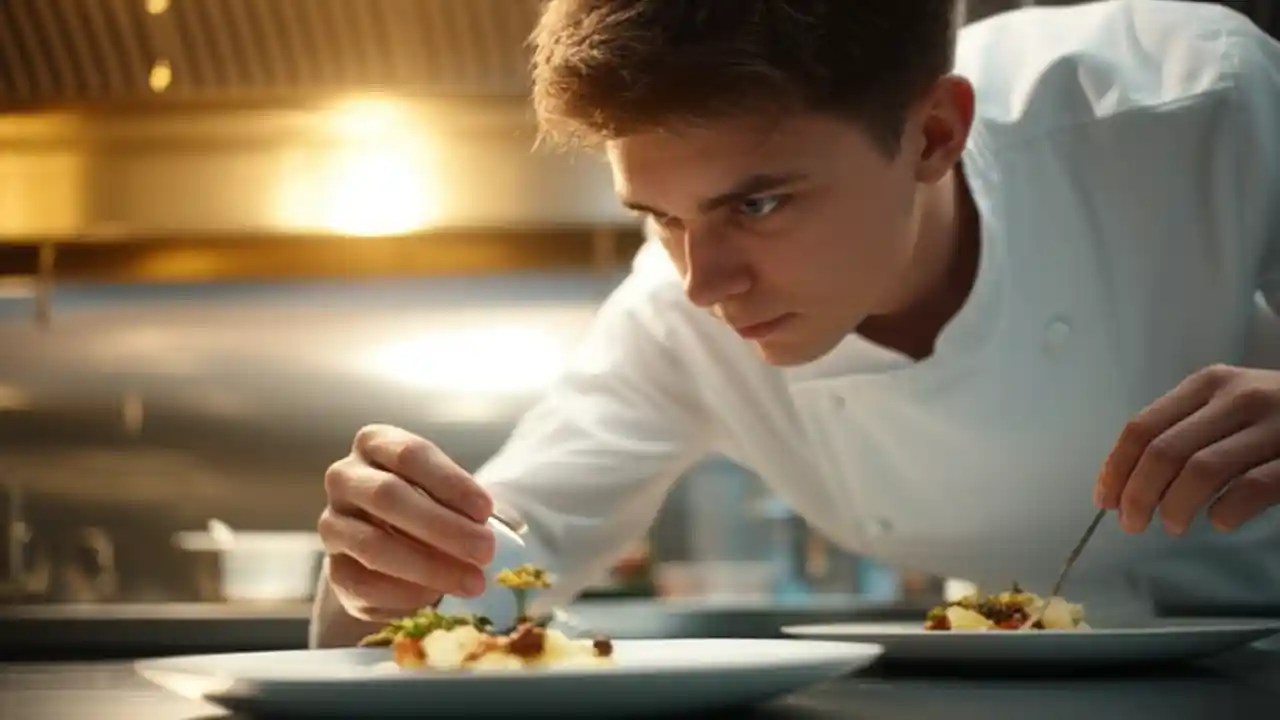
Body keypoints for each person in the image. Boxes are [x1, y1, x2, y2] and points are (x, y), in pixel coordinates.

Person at [310, 0, 1280, 646]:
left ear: (933, 134)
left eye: (757, 205)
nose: (702, 283)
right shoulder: (672, 311)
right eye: (658, 217)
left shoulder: (1190, 104)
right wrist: (397, 557)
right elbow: (494, 569)